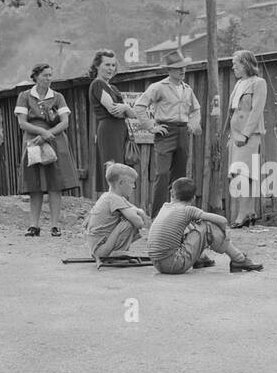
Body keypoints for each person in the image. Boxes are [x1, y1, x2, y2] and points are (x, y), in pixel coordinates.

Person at [147, 176, 263, 274]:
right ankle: (238, 258)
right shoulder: (187, 210)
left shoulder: (165, 207)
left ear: (172, 194)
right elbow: (222, 220)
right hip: (175, 264)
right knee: (207, 226)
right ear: (193, 198)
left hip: (158, 264)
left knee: (192, 225)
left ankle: (200, 258)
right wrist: (225, 232)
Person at [134, 50, 201, 218]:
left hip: (183, 131)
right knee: (162, 173)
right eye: (178, 68)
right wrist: (151, 126)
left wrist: (193, 124)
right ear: (169, 70)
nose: (182, 71)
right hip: (165, 131)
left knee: (179, 175)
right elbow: (139, 106)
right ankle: (156, 215)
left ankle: (177, 214)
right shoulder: (158, 87)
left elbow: (196, 109)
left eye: (184, 67)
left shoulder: (187, 89)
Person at [15, 62, 79, 237]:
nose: (48, 79)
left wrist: (47, 134)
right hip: (33, 140)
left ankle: (55, 226)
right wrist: (41, 132)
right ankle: (34, 225)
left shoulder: (58, 97)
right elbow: (22, 122)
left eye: (51, 75)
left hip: (55, 140)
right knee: (35, 184)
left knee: (55, 183)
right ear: (36, 77)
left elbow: (65, 122)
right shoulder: (25, 96)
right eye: (45, 75)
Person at [88, 50, 139, 198]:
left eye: (113, 65)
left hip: (120, 131)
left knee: (122, 169)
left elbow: (132, 113)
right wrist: (126, 109)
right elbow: (113, 110)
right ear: (97, 66)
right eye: (107, 65)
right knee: (113, 169)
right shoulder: (98, 84)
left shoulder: (113, 88)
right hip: (109, 130)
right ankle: (112, 206)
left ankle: (120, 205)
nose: (111, 68)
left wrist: (126, 108)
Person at [227, 49, 268, 228]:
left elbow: (256, 111)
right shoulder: (239, 84)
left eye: (236, 64)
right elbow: (233, 110)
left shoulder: (258, 83)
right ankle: (250, 212)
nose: (233, 67)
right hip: (236, 134)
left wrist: (245, 133)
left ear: (245, 64)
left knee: (242, 172)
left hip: (248, 135)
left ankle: (242, 213)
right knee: (244, 173)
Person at [83, 161, 149, 267]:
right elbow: (139, 223)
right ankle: (117, 254)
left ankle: (116, 252)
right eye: (132, 183)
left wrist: (138, 211)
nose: (133, 186)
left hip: (96, 247)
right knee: (129, 221)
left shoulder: (110, 196)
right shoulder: (114, 199)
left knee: (129, 215)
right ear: (121, 183)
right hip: (101, 250)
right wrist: (137, 214)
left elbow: (134, 209)